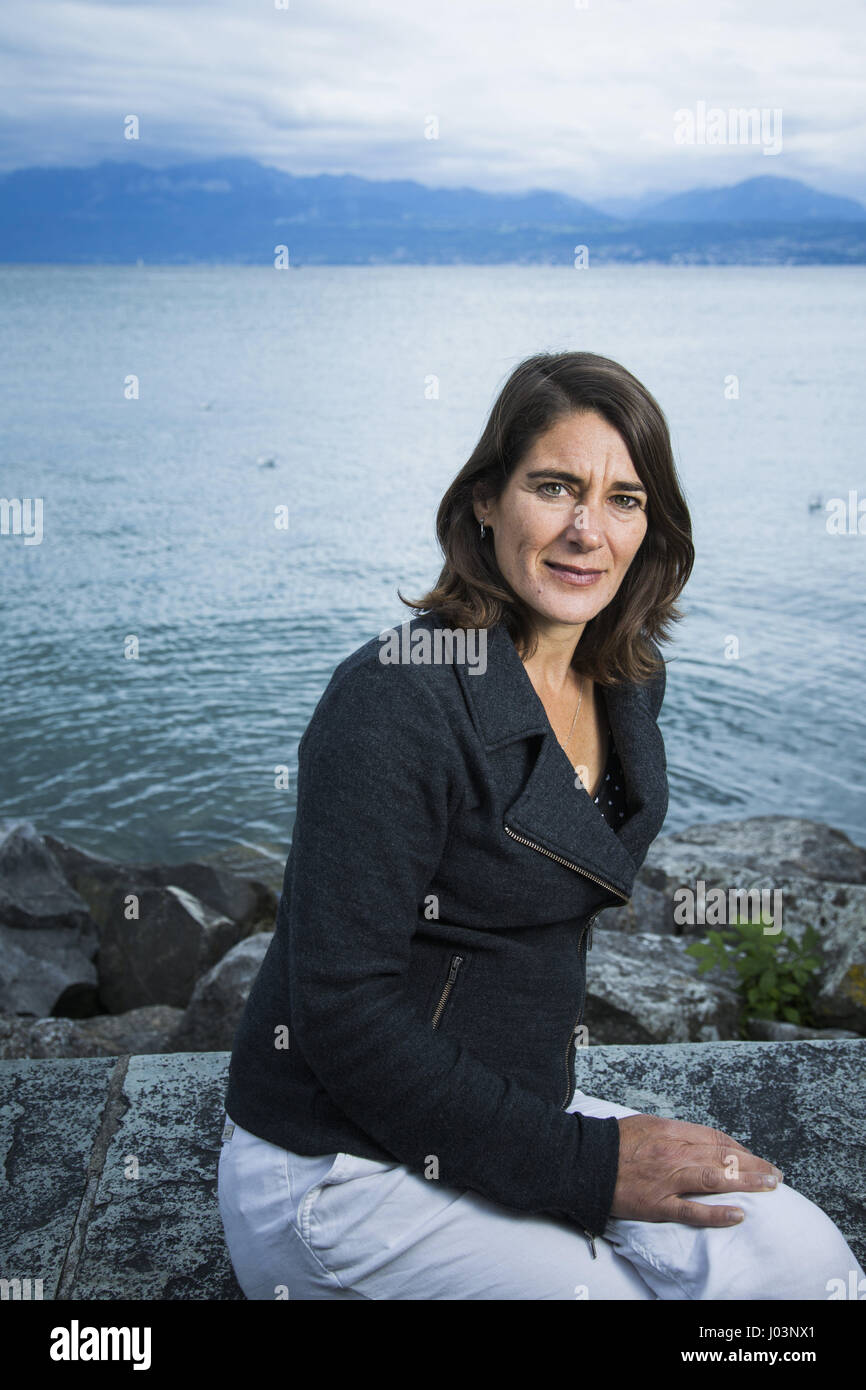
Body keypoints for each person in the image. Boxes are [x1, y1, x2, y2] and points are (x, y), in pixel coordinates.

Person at [218, 350, 864, 1299]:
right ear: (487, 500)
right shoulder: (394, 697)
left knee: (804, 1268)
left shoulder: (625, 678)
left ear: (652, 525)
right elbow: (342, 1014)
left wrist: (569, 1148)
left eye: (624, 498)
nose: (586, 531)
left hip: (508, 1114)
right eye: (554, 486)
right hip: (339, 1168)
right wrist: (590, 1169)